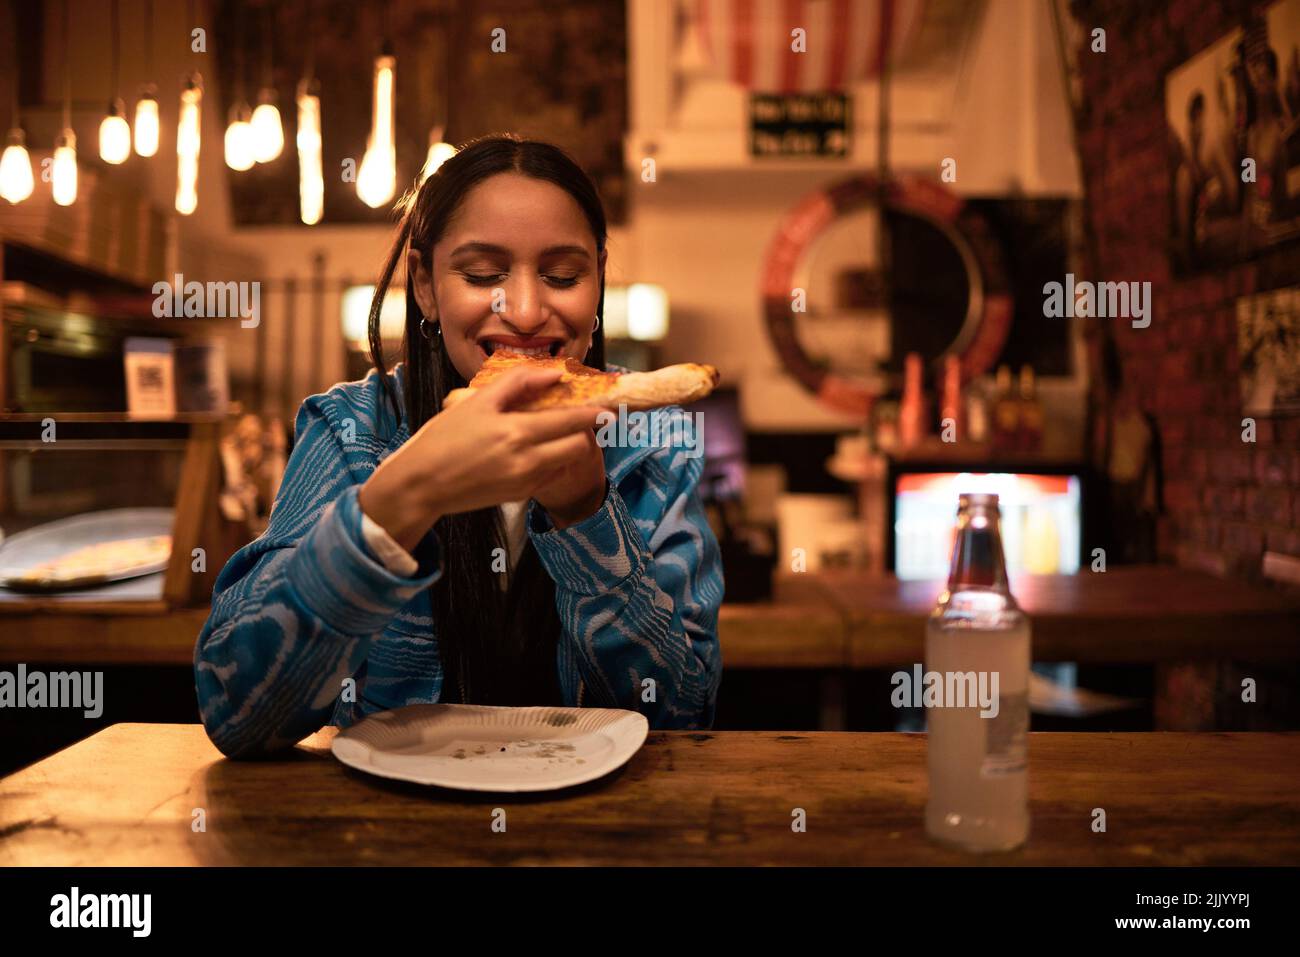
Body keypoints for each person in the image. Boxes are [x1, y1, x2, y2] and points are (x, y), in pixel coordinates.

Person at [194, 134, 724, 758]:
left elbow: (683, 718)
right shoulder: (351, 430)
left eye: (562, 275)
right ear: (424, 284)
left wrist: (585, 512)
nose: (525, 312)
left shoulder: (653, 447)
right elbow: (238, 714)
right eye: (482, 274)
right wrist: (403, 497)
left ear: (599, 281)